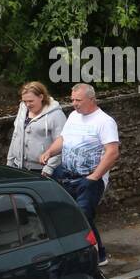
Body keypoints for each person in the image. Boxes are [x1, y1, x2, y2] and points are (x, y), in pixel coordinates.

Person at [38, 83, 119, 265]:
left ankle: (98, 255)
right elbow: (63, 139)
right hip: (66, 173)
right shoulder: (74, 116)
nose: (74, 103)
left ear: (91, 99)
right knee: (62, 212)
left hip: (89, 178)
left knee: (82, 215)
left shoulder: (104, 121)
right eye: (72, 99)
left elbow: (112, 152)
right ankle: (71, 252)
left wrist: (94, 177)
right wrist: (50, 152)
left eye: (78, 100)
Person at [6, 82, 65, 173]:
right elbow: (16, 135)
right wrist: (10, 162)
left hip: (43, 169)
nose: (27, 105)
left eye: (30, 101)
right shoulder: (23, 109)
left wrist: (49, 167)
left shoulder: (56, 114)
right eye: (24, 101)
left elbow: (62, 143)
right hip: (19, 166)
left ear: (41, 97)